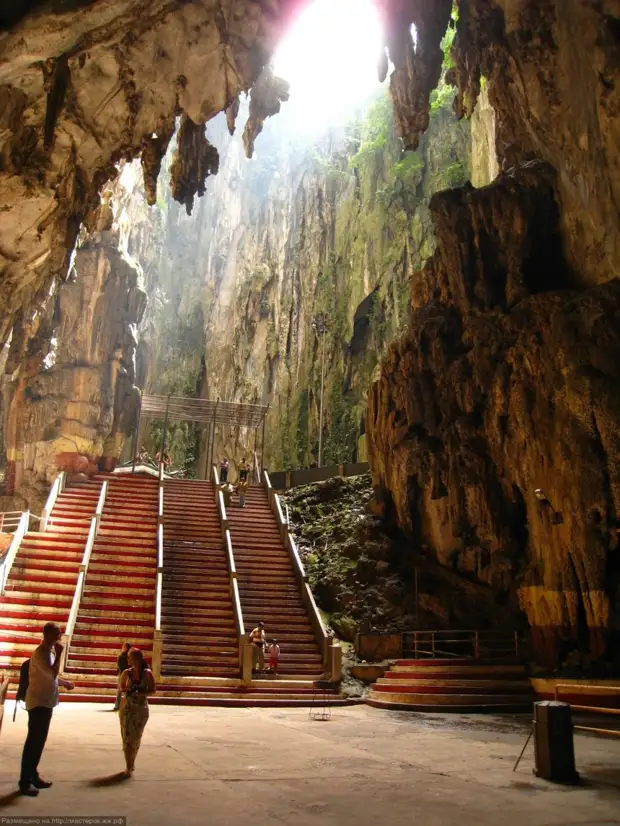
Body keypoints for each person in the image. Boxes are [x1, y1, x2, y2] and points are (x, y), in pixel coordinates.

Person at [19, 623, 74, 796]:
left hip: (46, 702)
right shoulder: (41, 654)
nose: (59, 636)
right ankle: (25, 782)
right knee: (33, 744)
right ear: (48, 634)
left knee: (39, 743)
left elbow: (51, 678)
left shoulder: (48, 653)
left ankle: (33, 776)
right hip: (38, 704)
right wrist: (60, 654)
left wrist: (64, 684)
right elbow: (52, 674)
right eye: (57, 633)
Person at [119, 647, 155, 777]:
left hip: (141, 709)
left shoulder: (147, 673)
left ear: (137, 659)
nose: (127, 659)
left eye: (130, 657)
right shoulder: (126, 673)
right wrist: (127, 691)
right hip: (127, 708)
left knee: (136, 737)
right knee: (127, 737)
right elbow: (121, 688)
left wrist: (139, 693)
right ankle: (129, 765)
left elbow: (152, 690)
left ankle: (132, 762)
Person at [113, 642, 132, 711]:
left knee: (120, 691)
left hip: (122, 674)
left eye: (123, 646)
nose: (122, 647)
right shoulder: (129, 656)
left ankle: (117, 706)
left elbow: (121, 666)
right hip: (127, 674)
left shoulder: (123, 656)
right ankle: (126, 705)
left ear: (126, 648)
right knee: (126, 691)